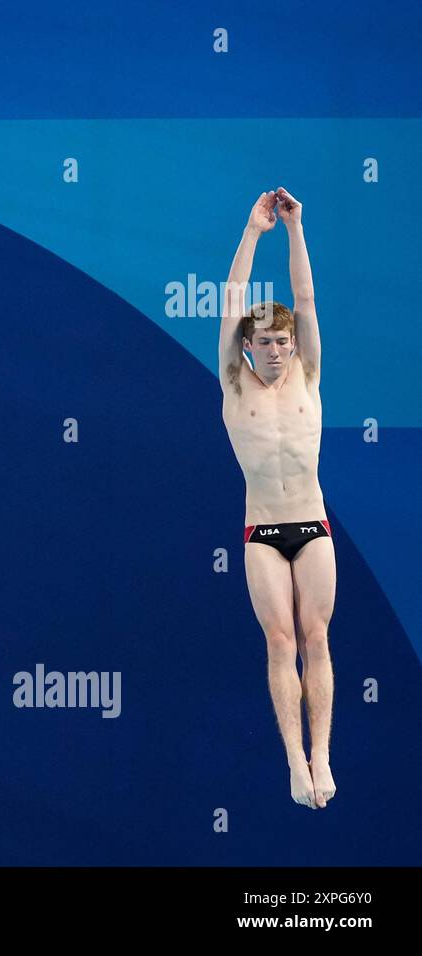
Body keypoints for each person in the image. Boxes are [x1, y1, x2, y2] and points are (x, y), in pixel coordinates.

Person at [219, 187, 336, 809]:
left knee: (316, 636)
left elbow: (307, 300)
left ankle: (321, 755)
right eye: (264, 343)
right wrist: (253, 230)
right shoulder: (236, 383)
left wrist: (295, 229)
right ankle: (294, 761)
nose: (275, 351)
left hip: (312, 527)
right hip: (262, 533)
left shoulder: (308, 376)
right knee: (281, 642)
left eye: (282, 343)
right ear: (248, 346)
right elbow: (234, 300)